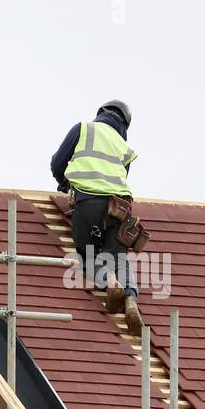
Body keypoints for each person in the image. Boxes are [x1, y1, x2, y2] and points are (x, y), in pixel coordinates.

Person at [50, 100, 143, 334]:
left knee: (86, 253)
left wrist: (65, 184)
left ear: (101, 114)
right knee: (119, 257)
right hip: (120, 207)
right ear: (124, 124)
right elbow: (119, 180)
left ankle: (110, 282)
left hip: (89, 202)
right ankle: (131, 299)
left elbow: (57, 163)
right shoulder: (124, 147)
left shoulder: (83, 129)